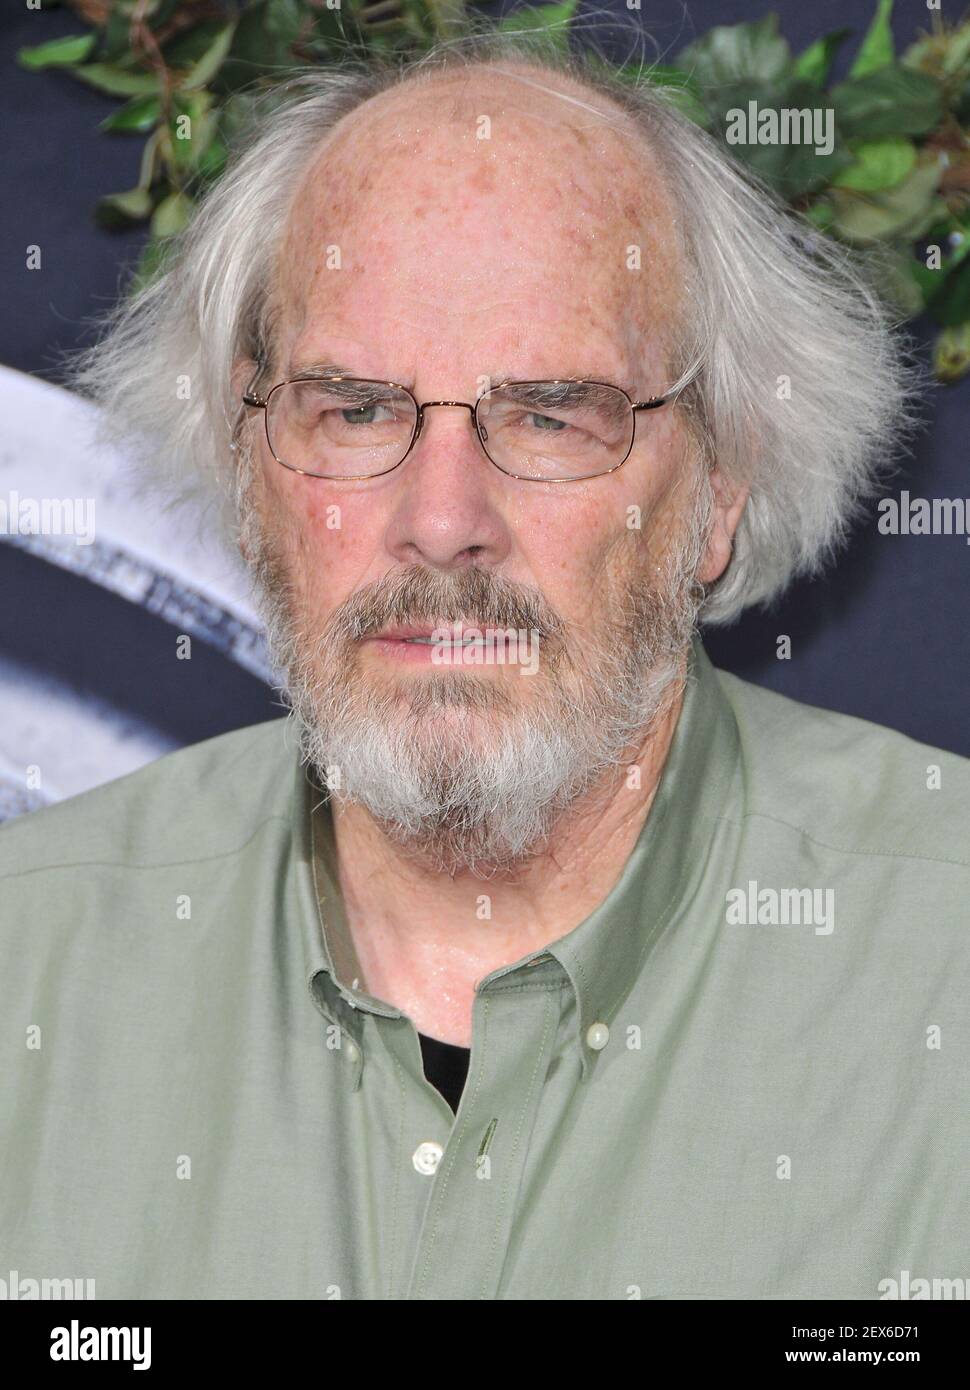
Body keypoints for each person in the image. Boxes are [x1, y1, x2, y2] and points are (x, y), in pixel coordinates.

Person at [2, 32, 968, 1302]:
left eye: (551, 414)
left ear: (720, 488)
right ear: (248, 474)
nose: (442, 517)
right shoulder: (31, 961)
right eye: (354, 409)